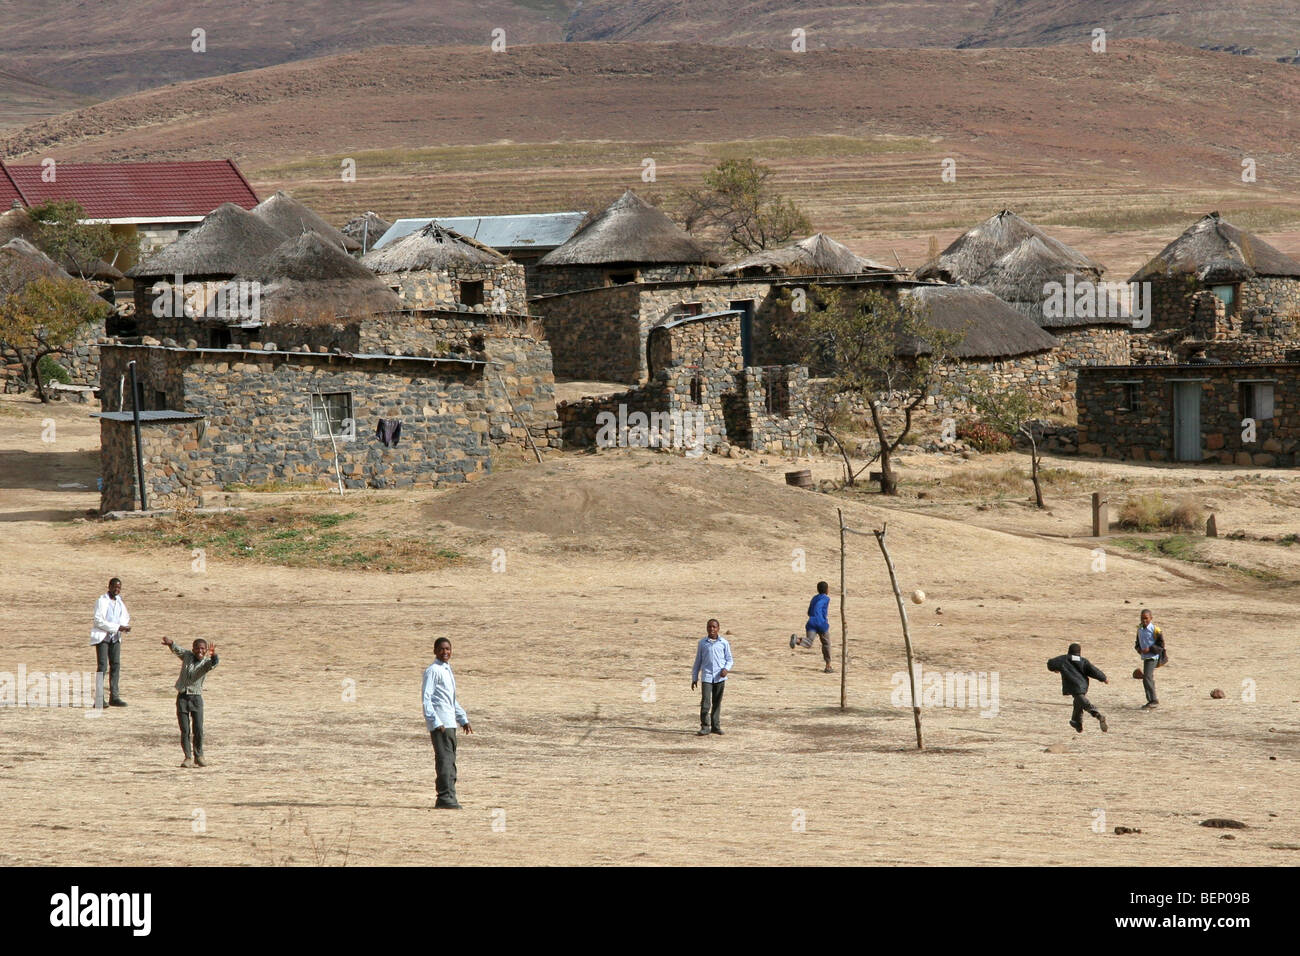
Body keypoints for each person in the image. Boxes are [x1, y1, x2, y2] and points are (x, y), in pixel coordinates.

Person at [422, 638, 473, 809]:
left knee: (450, 761)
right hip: (441, 724)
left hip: (450, 722)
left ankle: (450, 795)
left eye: (448, 649)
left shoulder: (446, 669)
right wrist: (436, 721)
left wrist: (462, 718)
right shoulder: (432, 671)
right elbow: (426, 699)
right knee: (444, 760)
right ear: (435, 651)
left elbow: (450, 700)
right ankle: (444, 798)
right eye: (442, 649)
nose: (445, 652)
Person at [162, 636, 219, 767]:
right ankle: (187, 757)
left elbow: (214, 663)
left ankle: (199, 756)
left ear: (206, 651)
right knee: (185, 730)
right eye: (197, 648)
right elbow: (178, 650)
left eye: (202, 648)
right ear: (193, 649)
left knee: (198, 729)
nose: (200, 650)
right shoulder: (187, 656)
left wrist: (214, 655)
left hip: (196, 698)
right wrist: (171, 644)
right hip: (182, 697)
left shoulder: (206, 663)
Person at [1047, 642, 1109, 733]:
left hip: (1072, 685)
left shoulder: (1063, 659)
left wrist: (1055, 669)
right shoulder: (1083, 661)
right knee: (1078, 702)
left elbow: (1050, 663)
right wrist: (1103, 678)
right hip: (1083, 685)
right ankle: (1076, 722)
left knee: (1083, 702)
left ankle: (1098, 715)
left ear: (1069, 651)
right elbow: (1094, 671)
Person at [89, 577, 131, 708]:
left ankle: (115, 696)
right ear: (109, 586)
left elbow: (124, 617)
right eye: (114, 587)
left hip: (115, 638)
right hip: (103, 638)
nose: (116, 589)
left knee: (116, 665)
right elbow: (98, 621)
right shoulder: (101, 601)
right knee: (102, 667)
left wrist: (124, 626)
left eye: (119, 587)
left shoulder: (119, 601)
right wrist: (117, 627)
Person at [691, 619, 733, 736]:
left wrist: (726, 669)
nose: (712, 629)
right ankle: (705, 726)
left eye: (714, 627)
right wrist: (695, 677)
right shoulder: (702, 643)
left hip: (719, 677)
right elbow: (697, 662)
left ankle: (716, 726)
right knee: (706, 702)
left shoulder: (724, 643)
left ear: (718, 628)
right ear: (706, 628)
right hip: (707, 677)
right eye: (709, 627)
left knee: (717, 702)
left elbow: (729, 659)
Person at [790, 581, 833, 672]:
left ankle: (797, 640)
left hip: (811, 622)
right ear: (827, 590)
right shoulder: (826, 598)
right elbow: (819, 606)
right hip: (821, 623)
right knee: (826, 644)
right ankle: (828, 666)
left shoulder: (814, 598)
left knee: (809, 642)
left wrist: (813, 615)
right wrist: (819, 616)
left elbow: (809, 612)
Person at [1135, 609, 1162, 709]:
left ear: (1151, 618)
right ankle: (1151, 699)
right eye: (1142, 618)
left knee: (1147, 677)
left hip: (1153, 657)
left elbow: (1161, 645)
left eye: (1146, 618)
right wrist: (1139, 649)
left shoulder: (1155, 630)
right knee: (1147, 678)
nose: (1144, 620)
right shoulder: (1139, 629)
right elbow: (1137, 642)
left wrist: (1149, 649)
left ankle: (1153, 700)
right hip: (1145, 657)